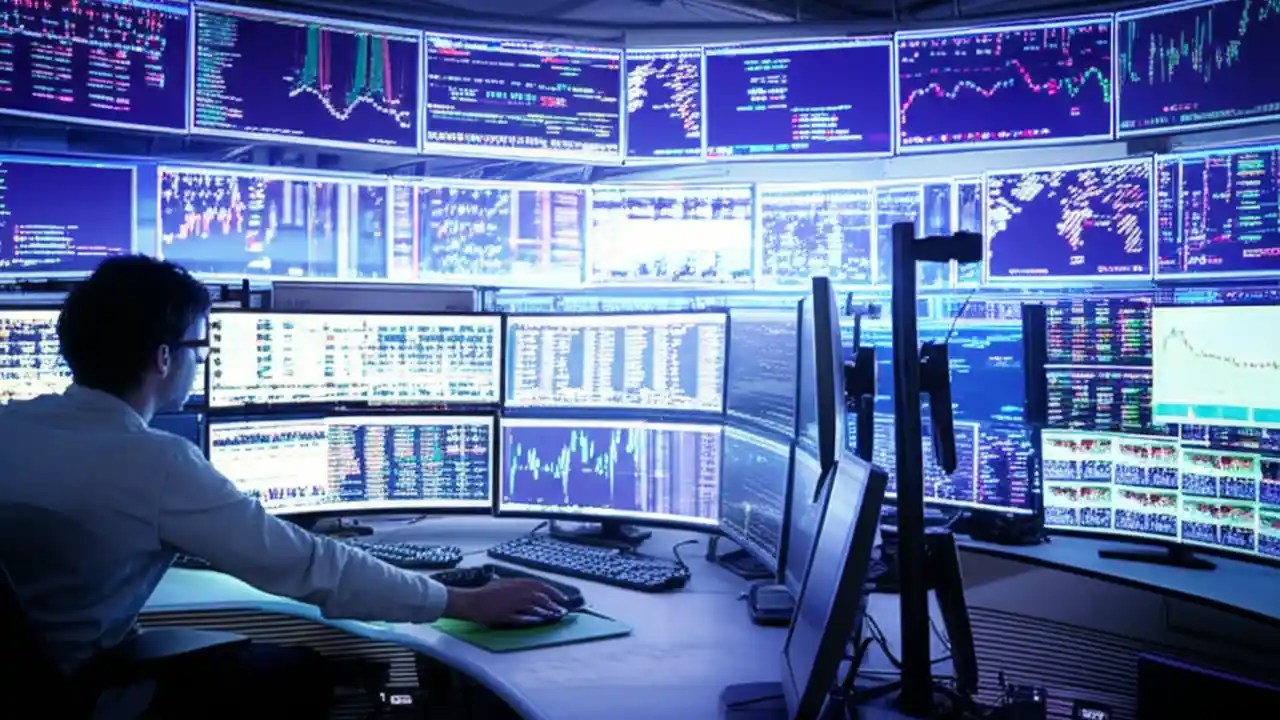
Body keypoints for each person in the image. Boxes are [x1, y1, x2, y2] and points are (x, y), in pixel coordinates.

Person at [0, 255, 567, 717]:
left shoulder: (11, 427)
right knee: (305, 673)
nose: (203, 364)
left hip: (32, 684)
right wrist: (462, 599)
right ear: (164, 358)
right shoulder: (155, 463)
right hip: (83, 692)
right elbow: (308, 566)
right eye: (201, 348)